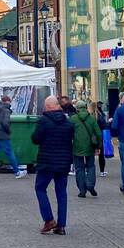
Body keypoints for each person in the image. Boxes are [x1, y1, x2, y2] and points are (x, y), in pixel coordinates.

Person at [31, 96, 74, 235]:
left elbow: (35, 139)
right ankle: (61, 225)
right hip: (63, 162)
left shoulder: (43, 121)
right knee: (61, 192)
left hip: (47, 162)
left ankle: (49, 219)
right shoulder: (68, 122)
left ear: (48, 107)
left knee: (40, 188)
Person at [0, 94, 25, 180]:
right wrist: (9, 131)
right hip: (3, 135)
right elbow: (5, 123)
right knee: (10, 153)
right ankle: (17, 172)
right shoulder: (6, 110)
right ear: (7, 101)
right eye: (9, 102)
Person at [71, 100, 103, 198]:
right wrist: (98, 146)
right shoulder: (92, 119)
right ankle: (90, 184)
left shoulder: (73, 119)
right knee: (91, 166)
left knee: (79, 168)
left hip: (77, 147)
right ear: (85, 107)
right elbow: (98, 133)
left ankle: (82, 190)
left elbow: (69, 132)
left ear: (77, 108)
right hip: (90, 146)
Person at [92, 101, 109, 177]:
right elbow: (104, 125)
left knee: (90, 154)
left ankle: (88, 169)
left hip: (91, 136)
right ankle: (102, 171)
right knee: (101, 154)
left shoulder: (89, 116)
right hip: (100, 135)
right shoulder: (100, 115)